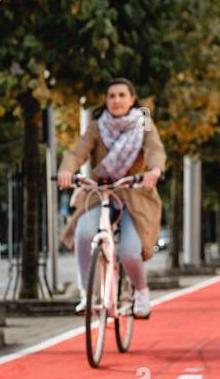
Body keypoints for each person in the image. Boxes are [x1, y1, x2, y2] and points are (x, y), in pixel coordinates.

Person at [58, 78, 165, 319]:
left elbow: (155, 150)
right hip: (101, 192)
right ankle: (88, 293)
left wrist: (154, 171)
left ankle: (140, 290)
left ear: (132, 99)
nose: (116, 100)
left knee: (129, 251)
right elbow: (77, 152)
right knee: (83, 232)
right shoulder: (97, 126)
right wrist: (67, 169)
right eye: (111, 96)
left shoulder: (144, 124)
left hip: (135, 193)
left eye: (121, 95)